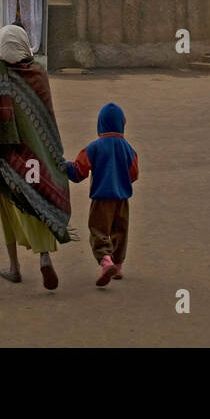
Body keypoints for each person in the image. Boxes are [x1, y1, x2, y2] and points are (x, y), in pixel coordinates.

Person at [0, 24, 73, 290]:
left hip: (9, 161)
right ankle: (44, 258)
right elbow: (46, 118)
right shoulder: (38, 74)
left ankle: (14, 267)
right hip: (37, 158)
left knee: (9, 212)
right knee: (36, 205)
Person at [64, 102, 139, 287]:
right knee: (120, 231)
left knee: (98, 230)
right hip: (122, 200)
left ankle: (106, 261)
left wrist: (62, 164)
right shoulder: (129, 148)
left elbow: (77, 172)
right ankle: (118, 266)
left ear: (100, 124)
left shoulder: (94, 147)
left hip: (101, 198)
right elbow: (134, 174)